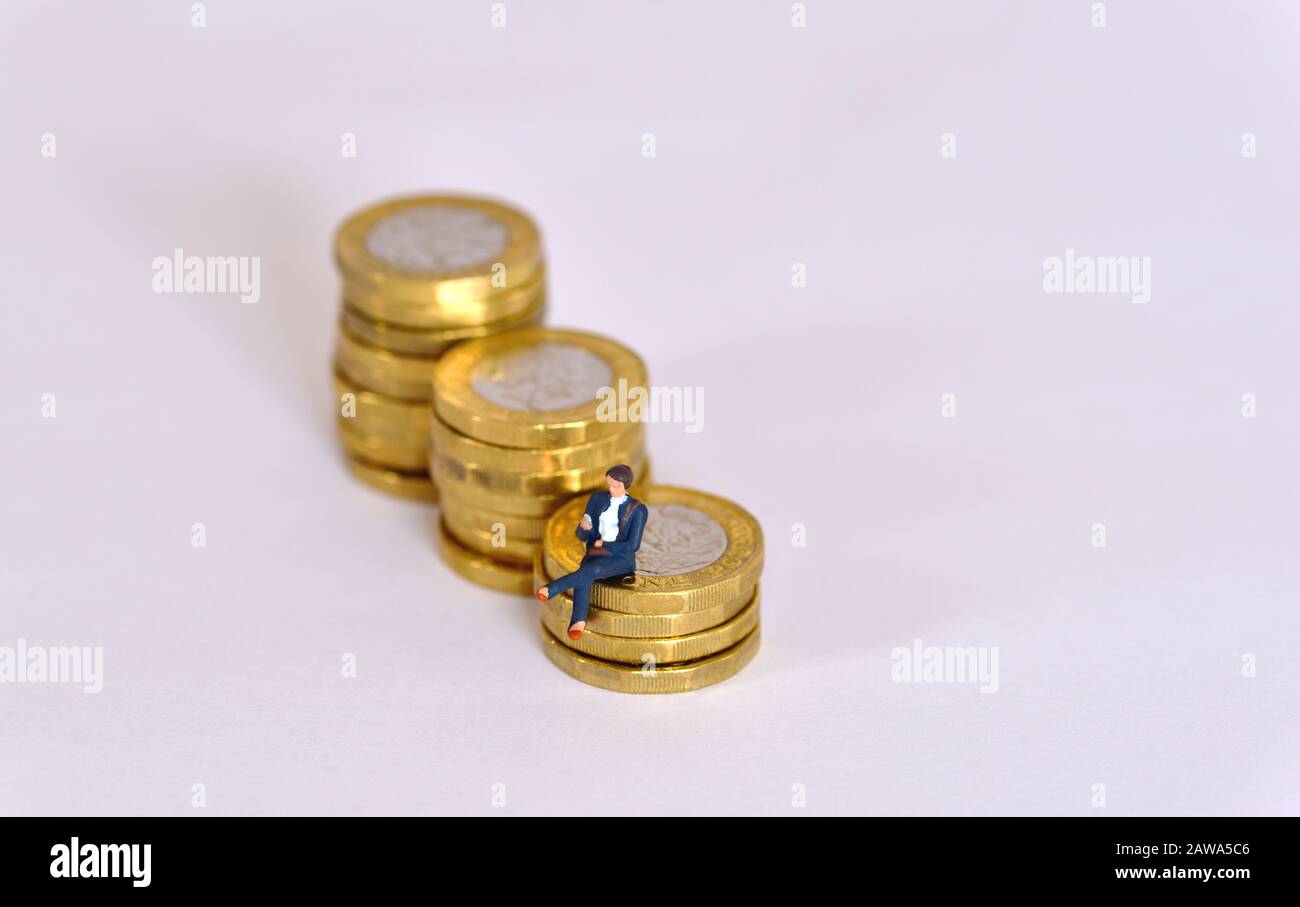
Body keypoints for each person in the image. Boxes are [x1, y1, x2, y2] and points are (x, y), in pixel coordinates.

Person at [535, 464, 647, 640]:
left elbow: (632, 545)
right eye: (609, 484)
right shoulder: (597, 499)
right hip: (594, 551)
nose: (611, 489)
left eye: (615, 486)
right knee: (585, 576)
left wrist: (605, 544)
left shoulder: (638, 510)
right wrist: (583, 527)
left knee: (591, 570)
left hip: (620, 558)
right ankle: (578, 622)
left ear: (625, 485)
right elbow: (582, 536)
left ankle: (552, 589)